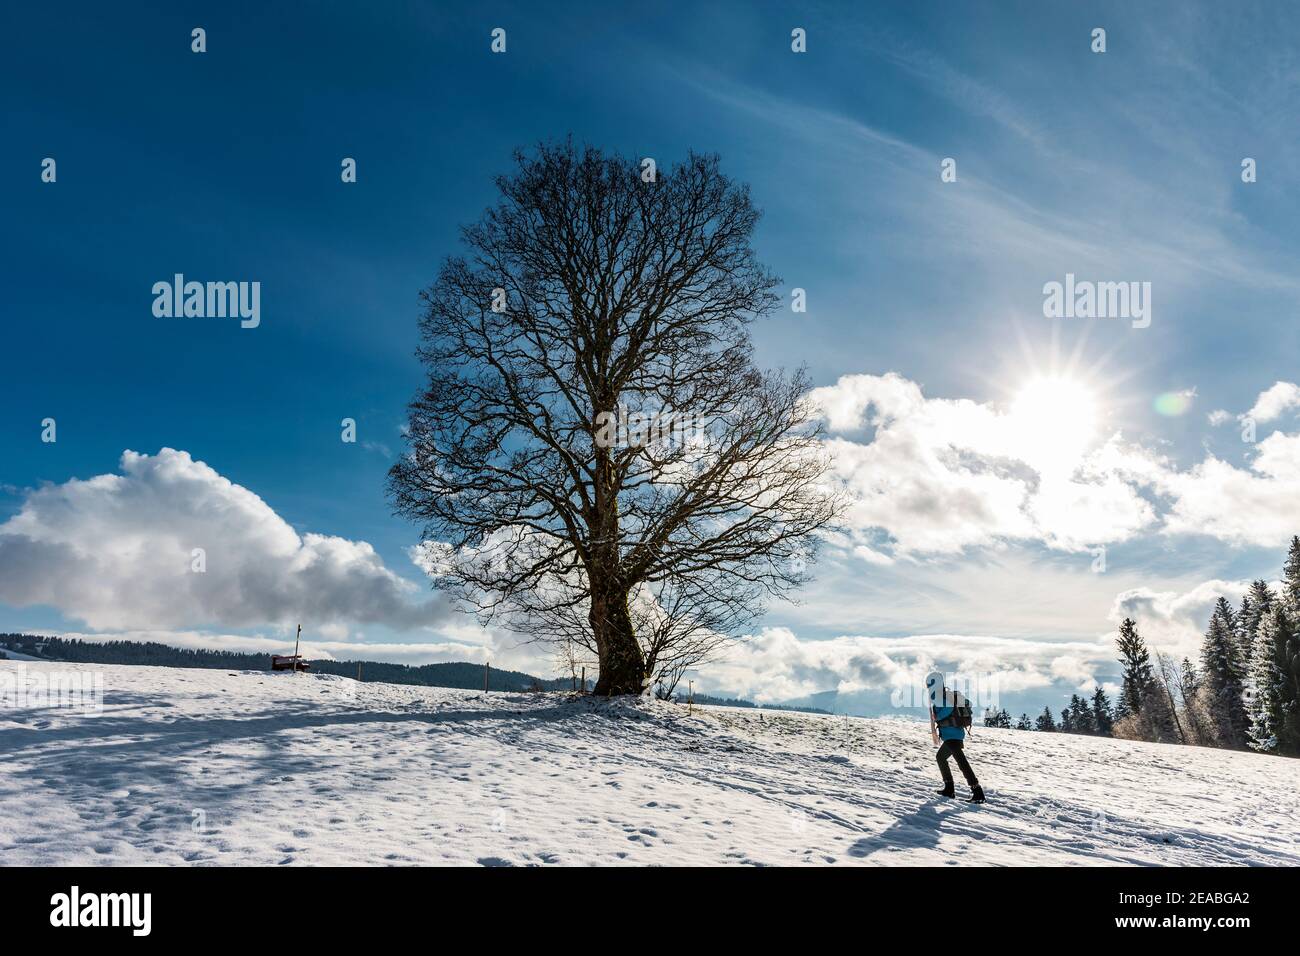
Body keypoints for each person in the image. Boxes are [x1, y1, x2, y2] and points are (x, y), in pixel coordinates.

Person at [926, 671, 985, 804]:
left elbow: (947, 708)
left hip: (952, 735)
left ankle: (977, 791)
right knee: (941, 757)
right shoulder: (945, 695)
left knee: (962, 762)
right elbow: (967, 703)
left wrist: (937, 717)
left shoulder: (941, 697)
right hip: (954, 735)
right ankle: (949, 788)